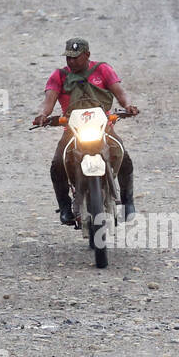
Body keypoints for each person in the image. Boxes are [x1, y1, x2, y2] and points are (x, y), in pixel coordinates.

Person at [31, 38, 140, 225]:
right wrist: (42, 114)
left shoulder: (102, 70)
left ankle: (128, 201)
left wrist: (128, 105)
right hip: (73, 130)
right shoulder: (59, 76)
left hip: (102, 126)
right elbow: (48, 101)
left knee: (123, 156)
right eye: (68, 58)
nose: (71, 61)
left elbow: (120, 93)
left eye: (76, 57)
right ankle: (65, 206)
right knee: (58, 164)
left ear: (87, 55)